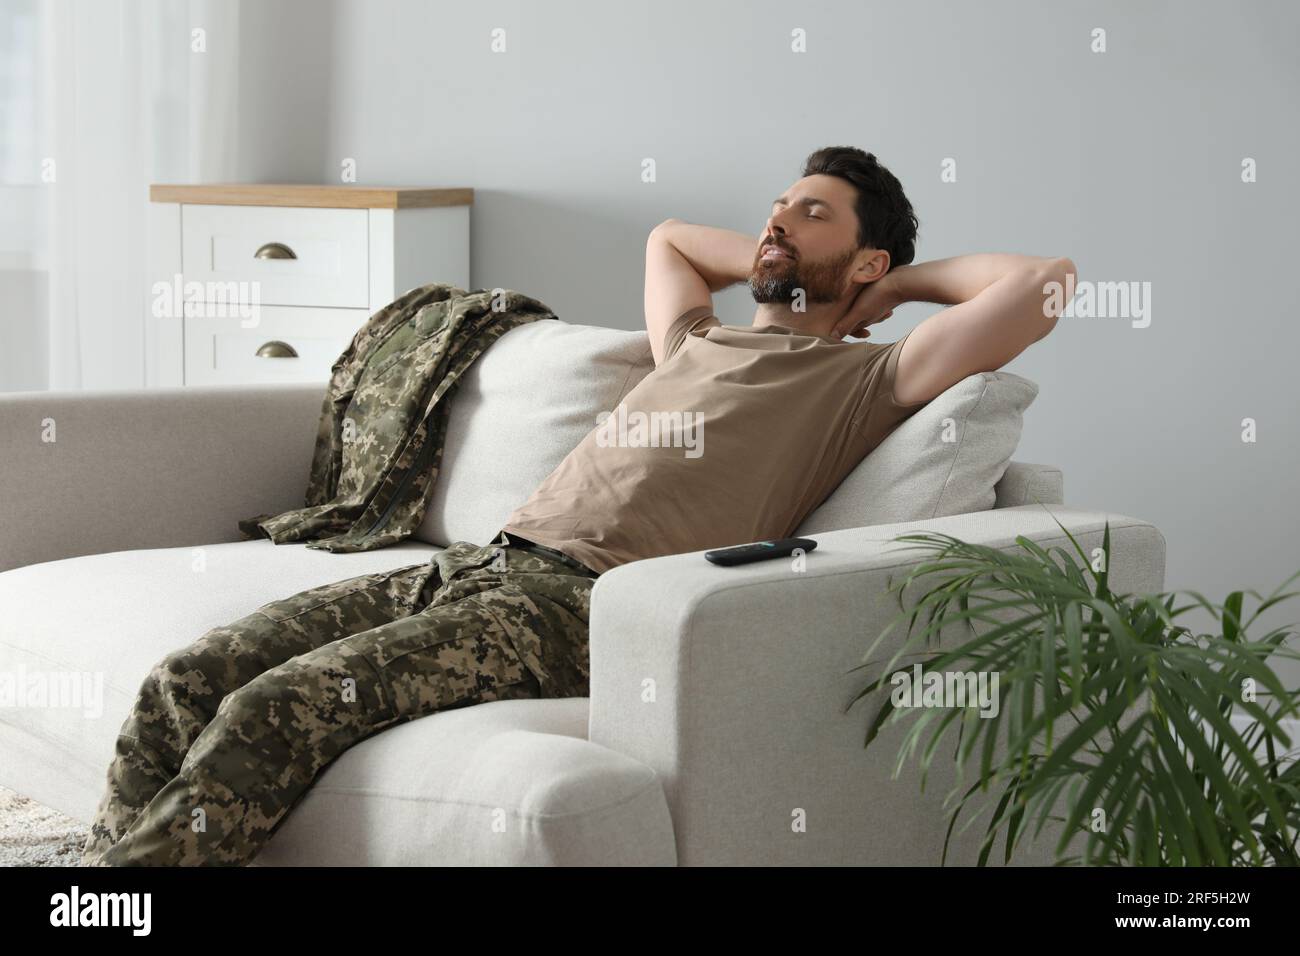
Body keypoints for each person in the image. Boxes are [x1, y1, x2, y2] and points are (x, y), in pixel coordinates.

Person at [82, 145, 1073, 865]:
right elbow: (671, 240)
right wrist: (781, 252)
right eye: (776, 203)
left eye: (810, 211)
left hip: (576, 606)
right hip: (483, 563)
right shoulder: (699, 343)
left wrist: (893, 285)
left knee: (275, 708)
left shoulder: (860, 377)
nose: (774, 220)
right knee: (191, 672)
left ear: (865, 263)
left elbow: (1043, 286)